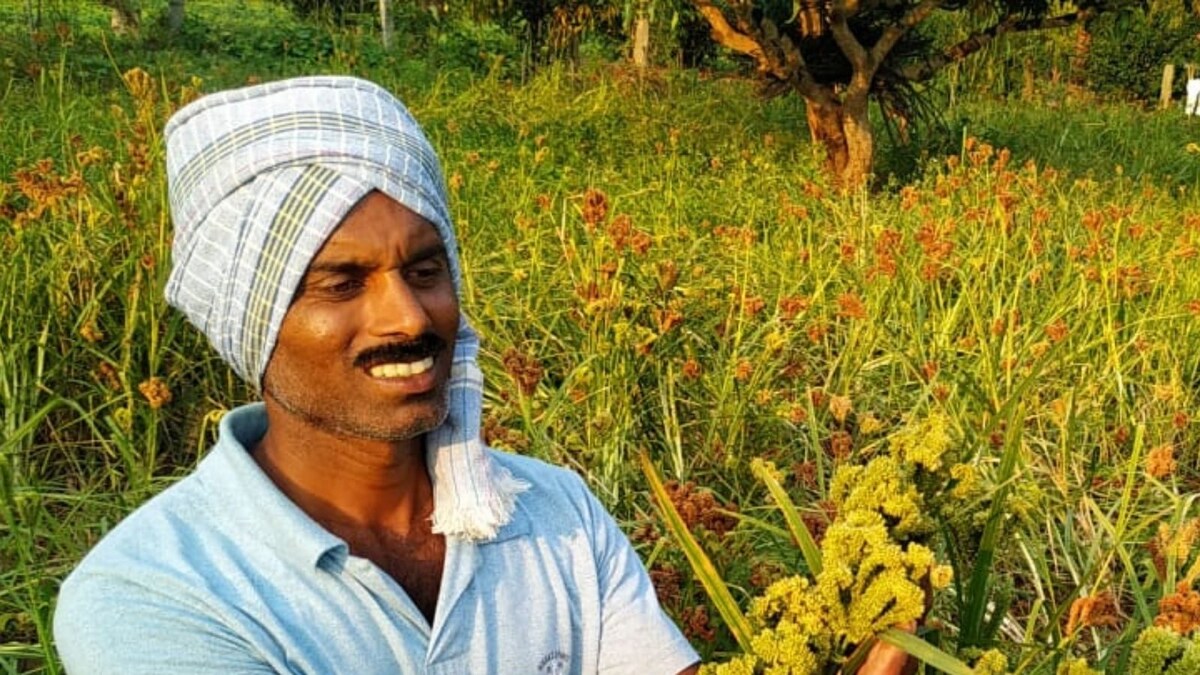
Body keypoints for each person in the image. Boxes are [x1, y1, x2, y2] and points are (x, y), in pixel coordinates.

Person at [53, 76, 910, 675]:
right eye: (341, 283)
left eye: (426, 268)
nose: (409, 317)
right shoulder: (150, 594)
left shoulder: (559, 514)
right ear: (250, 320)